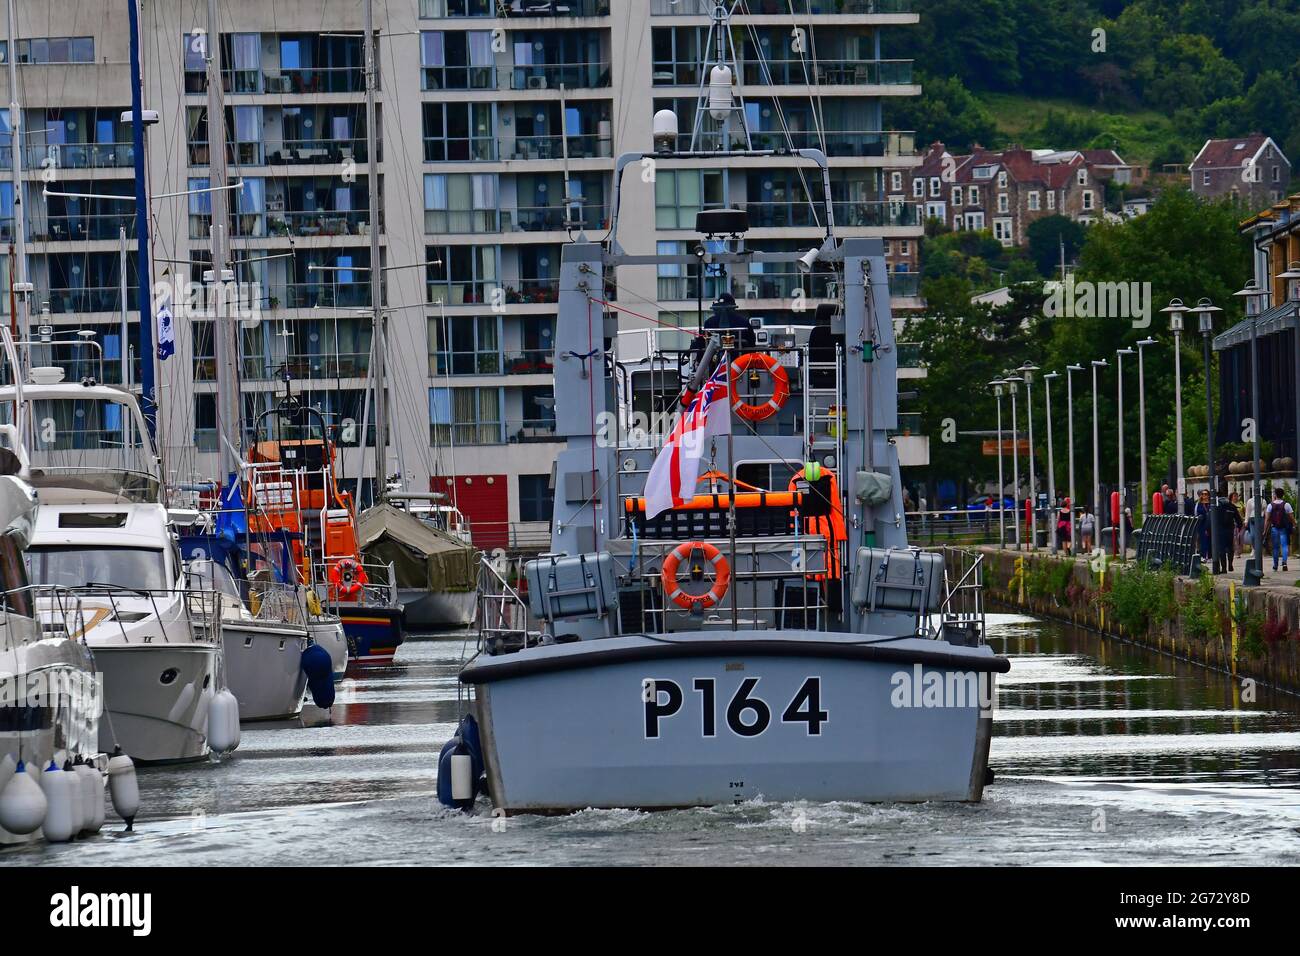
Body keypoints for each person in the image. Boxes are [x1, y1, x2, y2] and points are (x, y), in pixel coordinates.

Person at [1266, 489, 1295, 573]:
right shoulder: (1287, 505)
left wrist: (1265, 530)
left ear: (1275, 495)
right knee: (1284, 545)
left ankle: (1275, 566)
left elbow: (1267, 519)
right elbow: (1291, 516)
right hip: (1284, 528)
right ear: (1283, 495)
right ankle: (1284, 563)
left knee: (1275, 548)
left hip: (1274, 528)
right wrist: (1294, 524)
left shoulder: (1270, 505)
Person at [1195, 489, 1212, 563]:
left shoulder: (1211, 503)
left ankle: (1210, 556)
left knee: (1210, 540)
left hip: (1210, 524)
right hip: (1202, 525)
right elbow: (1196, 514)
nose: (1204, 495)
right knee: (1203, 540)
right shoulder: (1198, 504)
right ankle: (1203, 555)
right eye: (1203, 494)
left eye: (1206, 494)